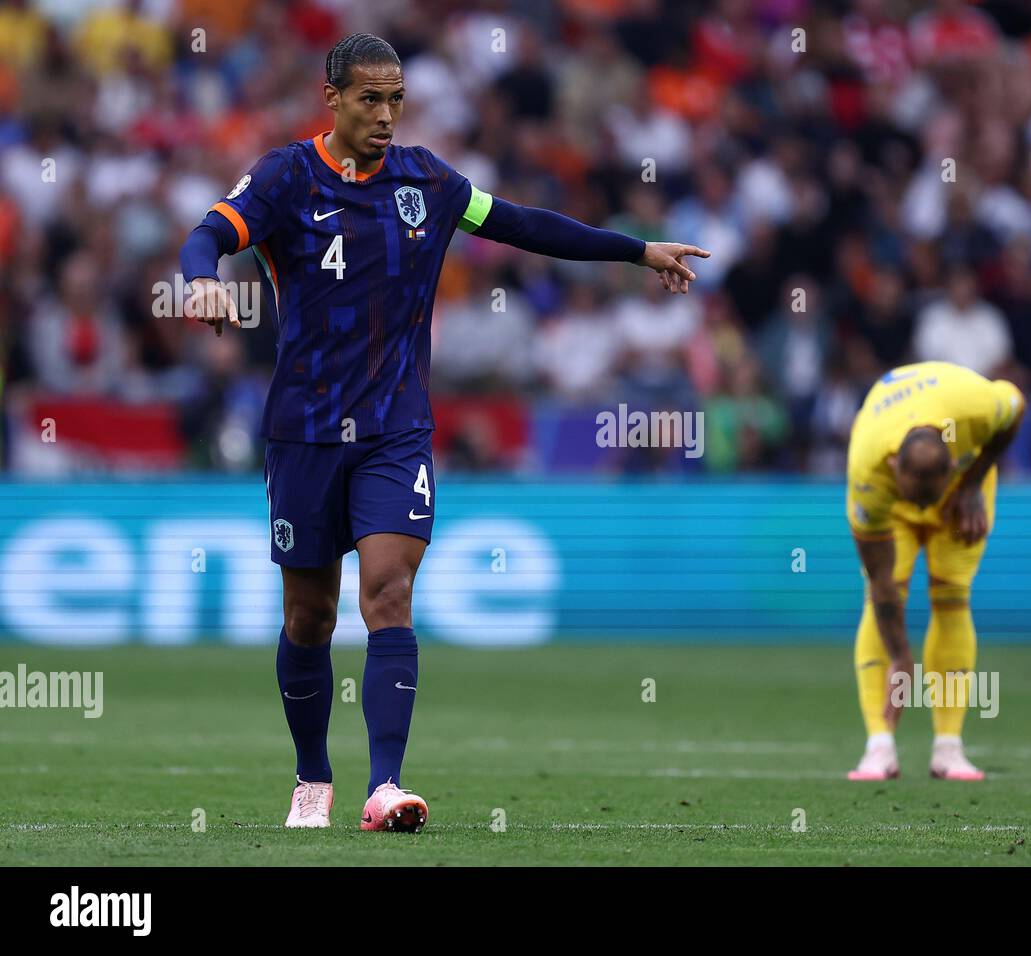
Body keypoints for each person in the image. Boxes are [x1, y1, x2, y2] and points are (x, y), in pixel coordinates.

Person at [179, 33, 708, 831]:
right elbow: (208, 235)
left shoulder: (428, 179)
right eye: (369, 99)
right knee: (309, 619)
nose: (386, 115)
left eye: (396, 99)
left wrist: (636, 250)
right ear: (332, 98)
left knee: (389, 592)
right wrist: (199, 283)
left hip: (396, 427)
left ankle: (384, 785)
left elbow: (524, 225)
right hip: (305, 431)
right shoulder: (286, 177)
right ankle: (312, 778)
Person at [844, 361, 1024, 781]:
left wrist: (973, 483)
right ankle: (879, 745)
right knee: (880, 597)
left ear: (952, 464)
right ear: (895, 471)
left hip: (961, 495)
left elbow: (1017, 406)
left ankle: (948, 748)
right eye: (917, 496)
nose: (924, 506)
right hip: (897, 505)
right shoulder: (868, 472)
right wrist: (902, 658)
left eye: (930, 494)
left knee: (952, 597)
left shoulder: (976, 408)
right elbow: (883, 584)